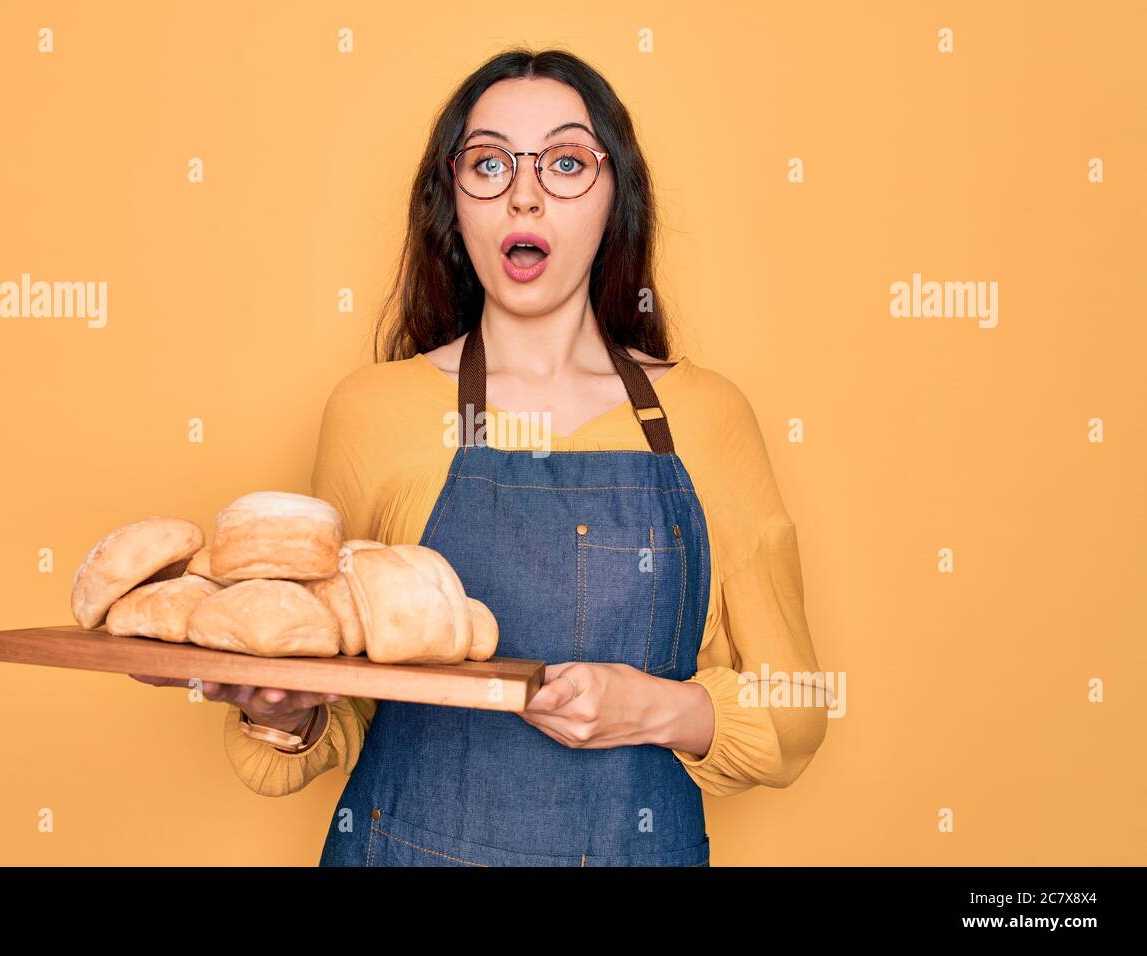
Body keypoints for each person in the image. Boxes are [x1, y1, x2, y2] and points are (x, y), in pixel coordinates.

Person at [135, 47, 827, 866]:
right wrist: (283, 712)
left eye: (567, 163)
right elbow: (343, 702)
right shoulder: (372, 411)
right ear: (452, 202)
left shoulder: (706, 418)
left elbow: (796, 707)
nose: (524, 194)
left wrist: (652, 710)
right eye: (490, 164)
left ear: (616, 198)